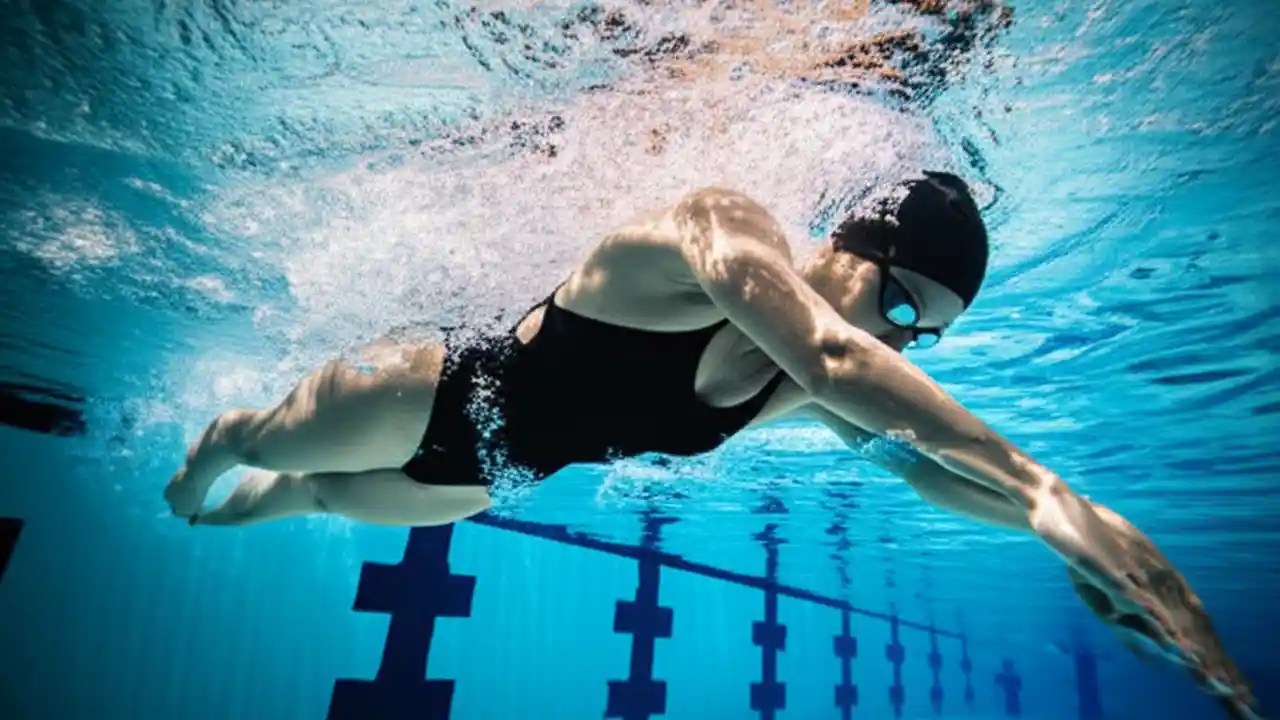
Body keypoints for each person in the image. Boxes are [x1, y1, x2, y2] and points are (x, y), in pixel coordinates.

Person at [164, 172, 1259, 717]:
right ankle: (192, 470)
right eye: (900, 311)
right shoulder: (718, 229)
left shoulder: (789, 391)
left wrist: (1045, 532)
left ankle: (207, 515)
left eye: (921, 337)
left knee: (302, 501)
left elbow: (913, 464)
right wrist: (1035, 482)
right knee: (260, 441)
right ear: (852, 247)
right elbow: (837, 356)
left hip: (488, 475)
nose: (899, 342)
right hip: (425, 391)